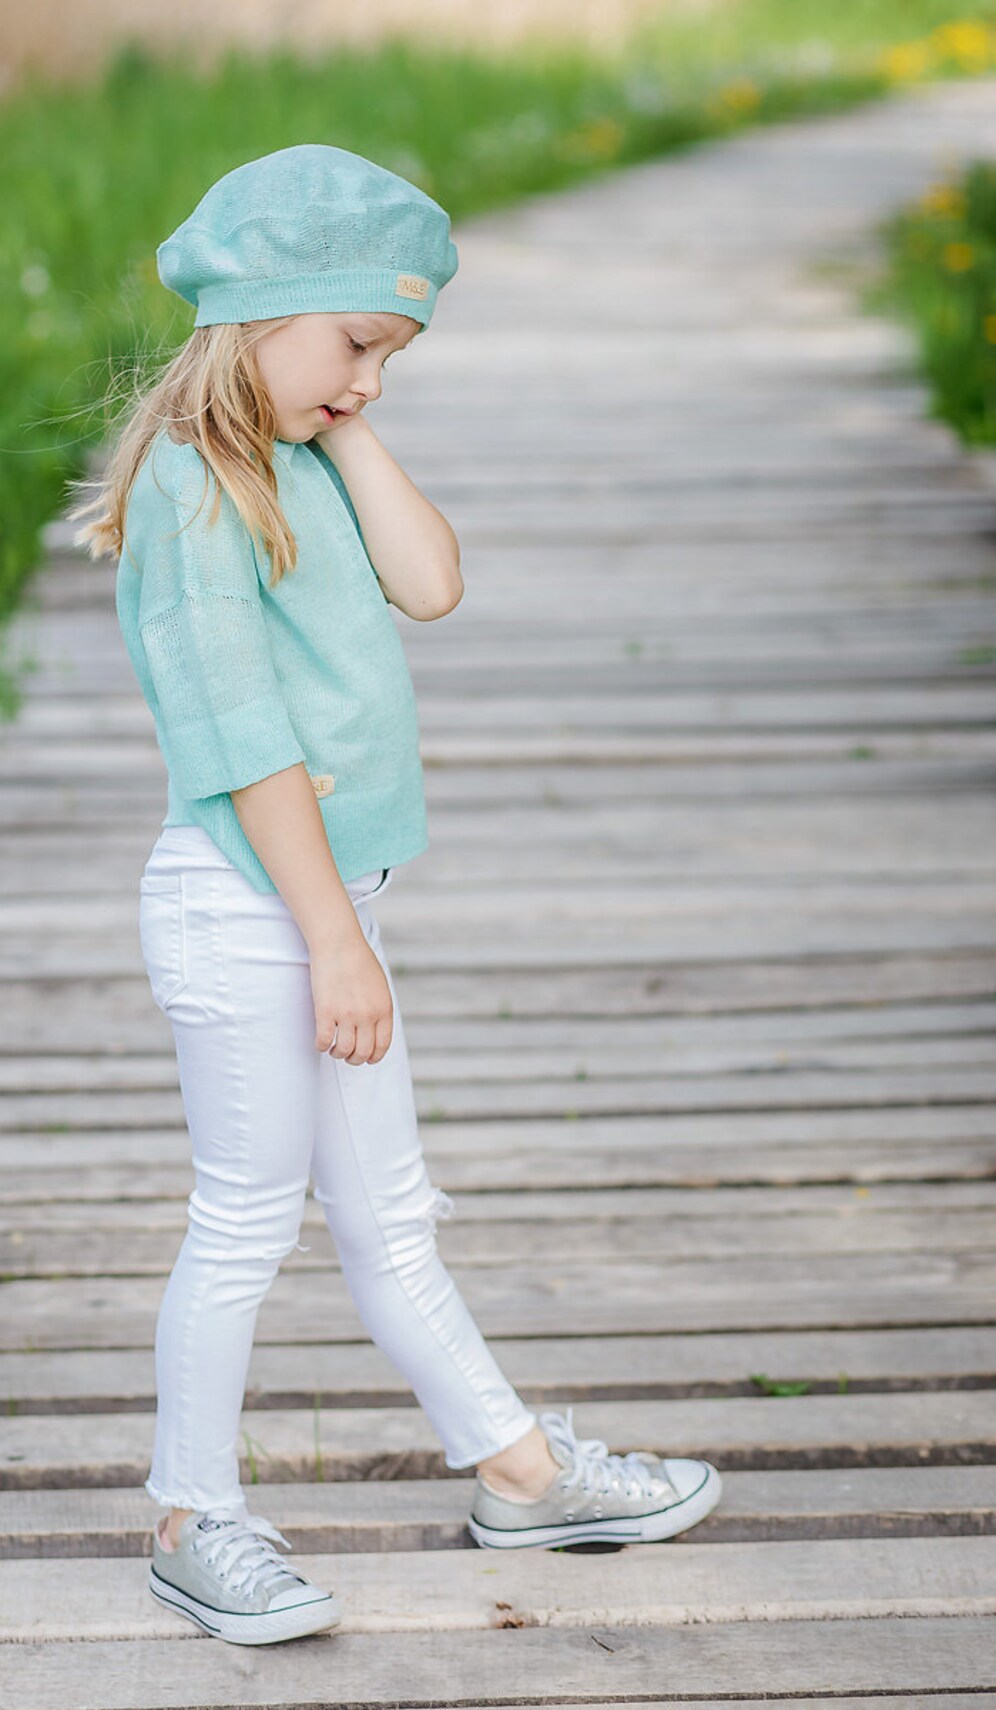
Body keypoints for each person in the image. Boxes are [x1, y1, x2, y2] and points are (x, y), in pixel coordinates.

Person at [67, 143, 721, 1649]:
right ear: (259, 310)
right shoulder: (193, 483)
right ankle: (191, 1513)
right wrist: (333, 940)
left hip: (320, 906)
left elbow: (431, 582)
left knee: (392, 1217)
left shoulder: (305, 454)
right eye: (356, 342)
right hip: (253, 905)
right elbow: (245, 742)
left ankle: (522, 1471)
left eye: (394, 356)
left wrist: (350, 424)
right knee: (244, 1217)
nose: (370, 378)